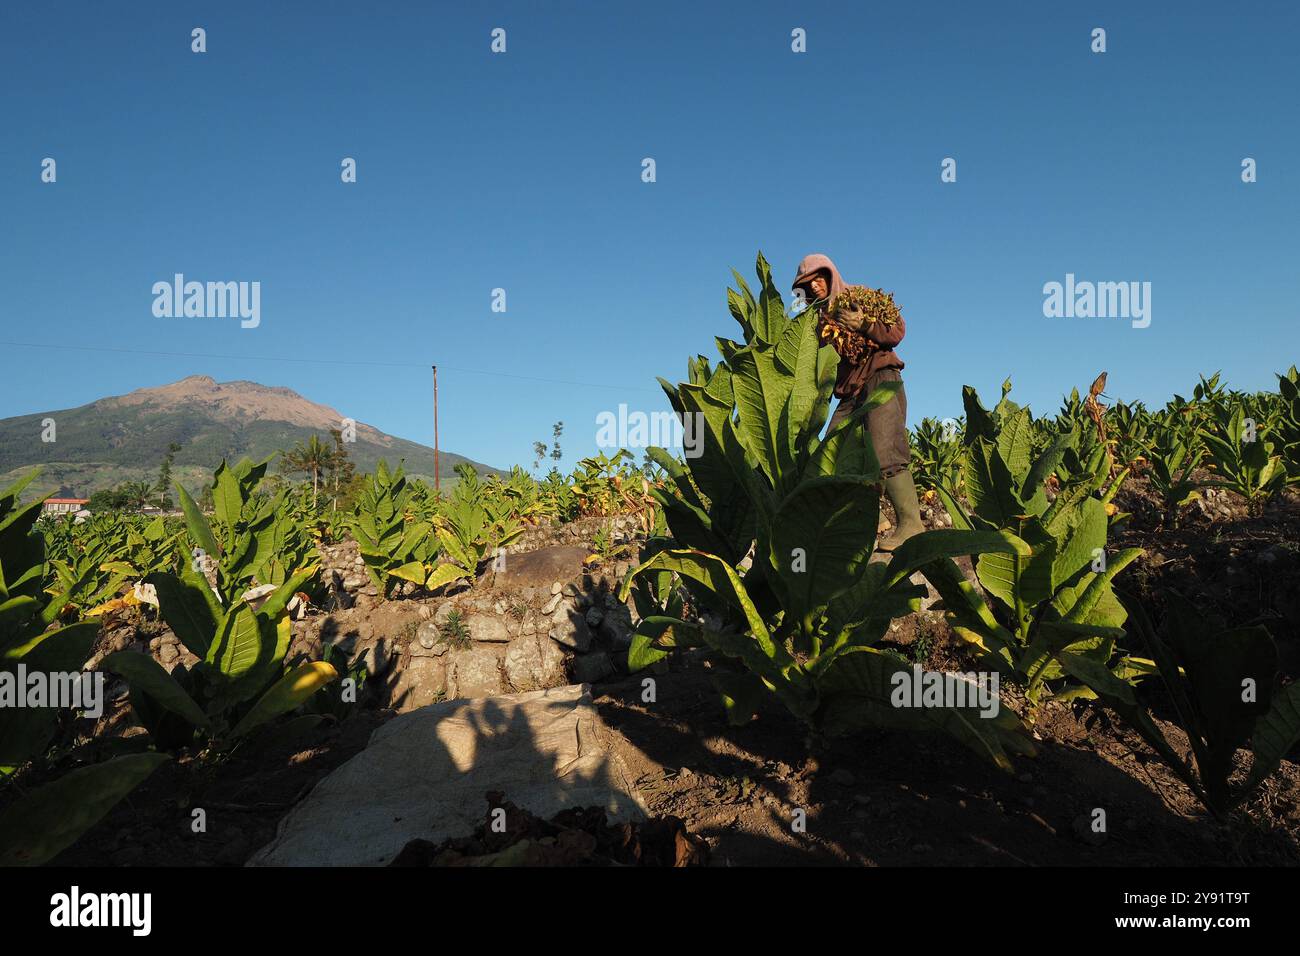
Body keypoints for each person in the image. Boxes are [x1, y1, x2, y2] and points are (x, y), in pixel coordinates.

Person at [792, 253, 925, 551]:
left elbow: (897, 330)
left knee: (884, 447)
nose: (814, 287)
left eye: (818, 278)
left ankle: (912, 525)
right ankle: (869, 521)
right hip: (849, 392)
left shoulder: (859, 297)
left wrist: (863, 323)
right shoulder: (816, 323)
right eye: (806, 284)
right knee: (835, 451)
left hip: (880, 377)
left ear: (830, 274)